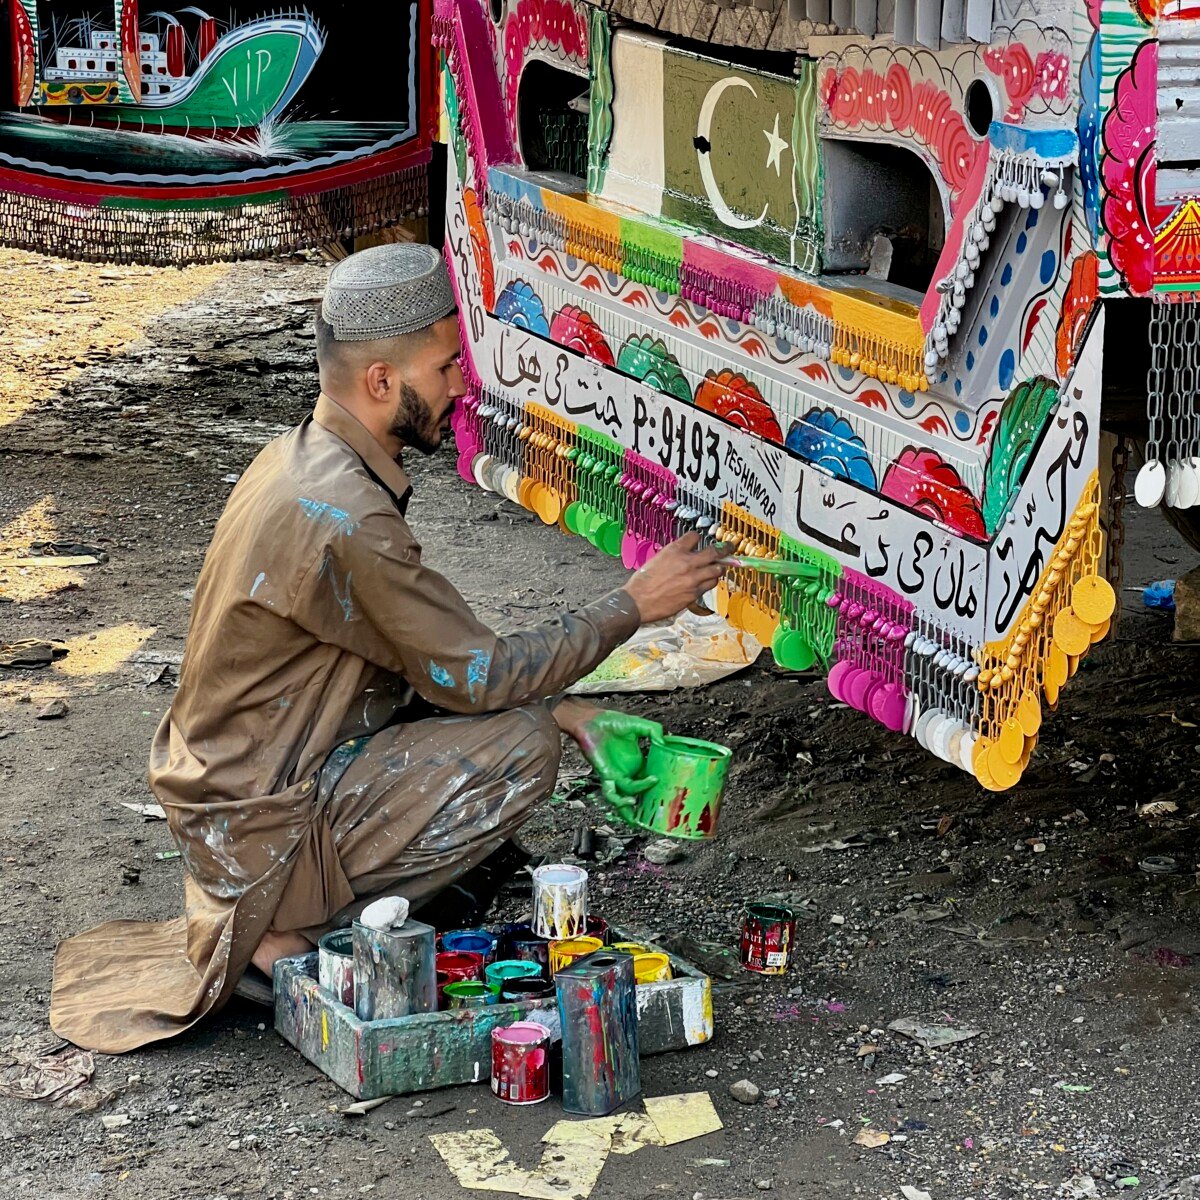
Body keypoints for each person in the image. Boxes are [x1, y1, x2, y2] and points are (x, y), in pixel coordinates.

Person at [50, 243, 726, 1053]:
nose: (458, 387)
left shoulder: (304, 460)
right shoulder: (347, 518)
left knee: (535, 727)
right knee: (523, 747)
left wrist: (576, 705)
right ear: (381, 382)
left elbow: (414, 667)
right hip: (261, 822)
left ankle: (286, 906)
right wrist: (634, 605)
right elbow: (477, 676)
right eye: (444, 369)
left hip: (235, 798)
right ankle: (283, 930)